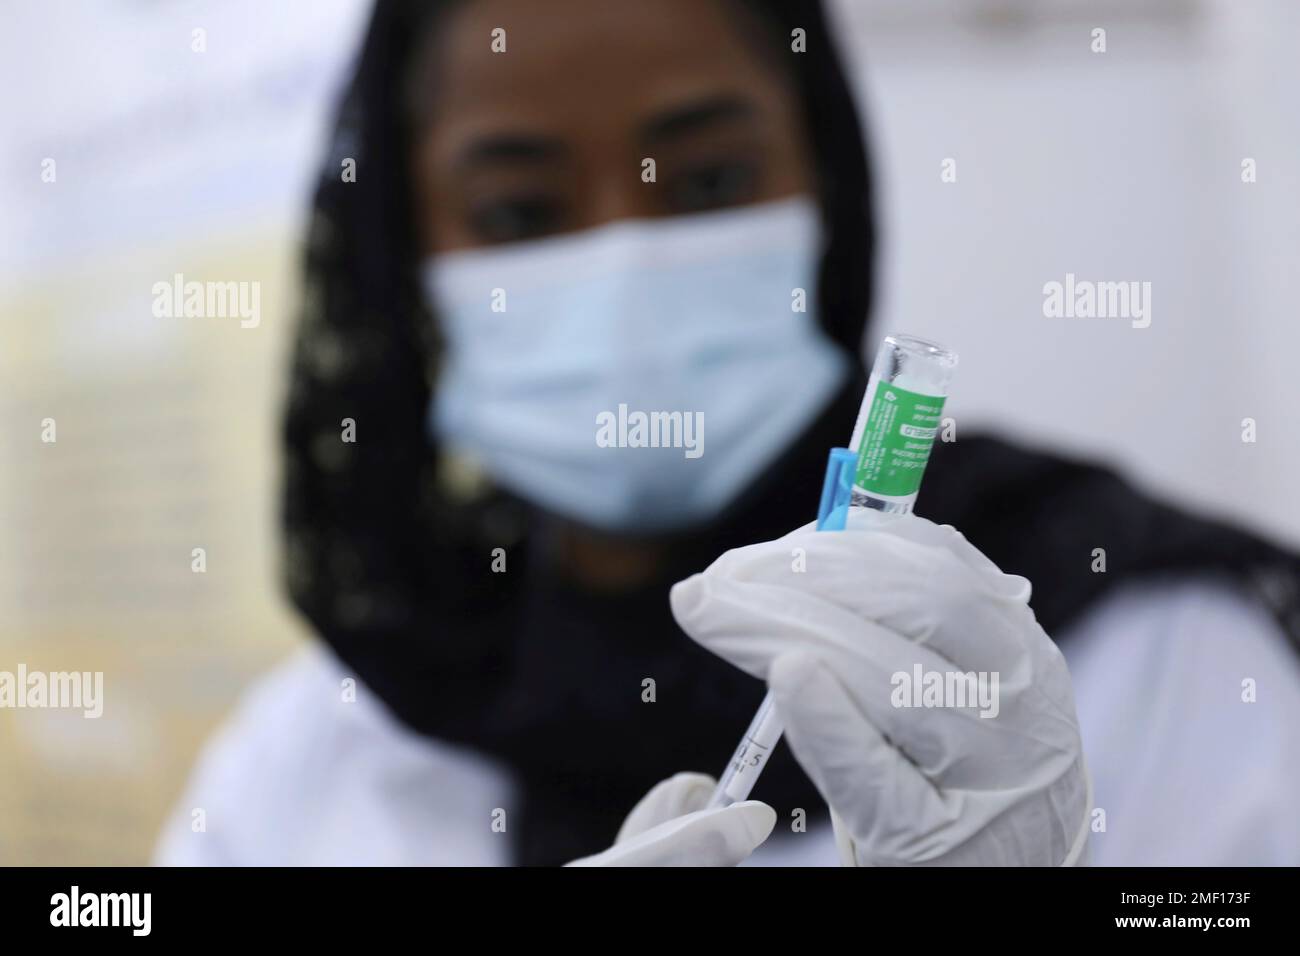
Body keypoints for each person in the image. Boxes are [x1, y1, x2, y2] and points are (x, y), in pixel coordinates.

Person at [156, 0, 1300, 866]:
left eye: (707, 182)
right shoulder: (315, 754)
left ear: (827, 187)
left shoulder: (1147, 657)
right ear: (401, 253)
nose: (624, 261)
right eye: (516, 211)